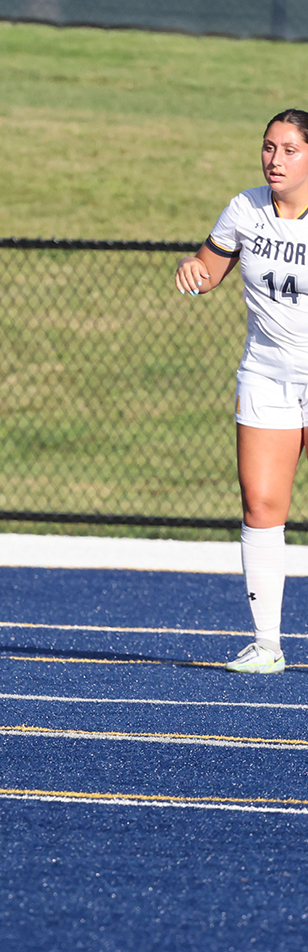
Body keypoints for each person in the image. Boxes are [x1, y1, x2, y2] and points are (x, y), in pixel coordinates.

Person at [175, 108, 308, 674]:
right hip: (264, 375)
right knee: (260, 507)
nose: (275, 160)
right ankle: (267, 643)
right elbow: (209, 269)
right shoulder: (245, 209)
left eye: (289, 150)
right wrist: (191, 271)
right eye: (268, 147)